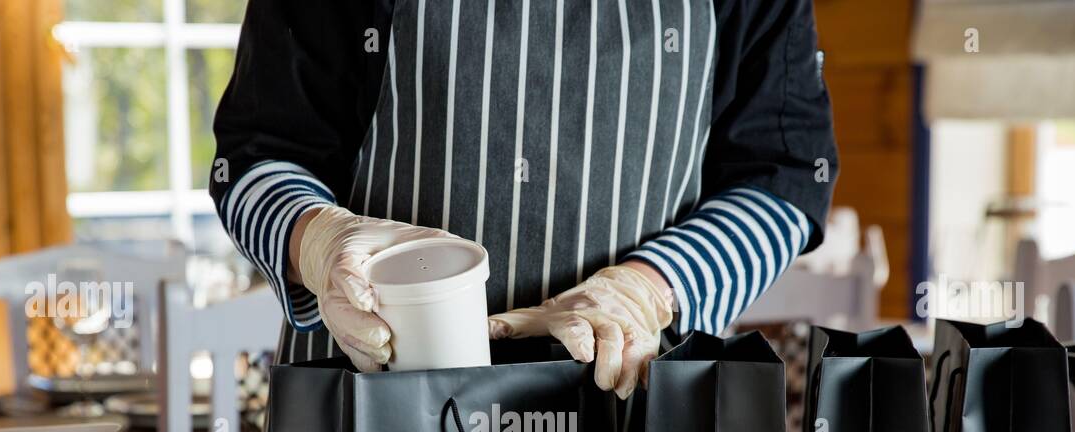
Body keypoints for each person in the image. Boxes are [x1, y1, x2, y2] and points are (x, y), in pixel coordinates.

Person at [211, 0, 838, 398]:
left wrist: (649, 289)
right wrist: (317, 239)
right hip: (366, 417)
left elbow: (782, 178)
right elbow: (255, 154)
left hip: (631, 410)